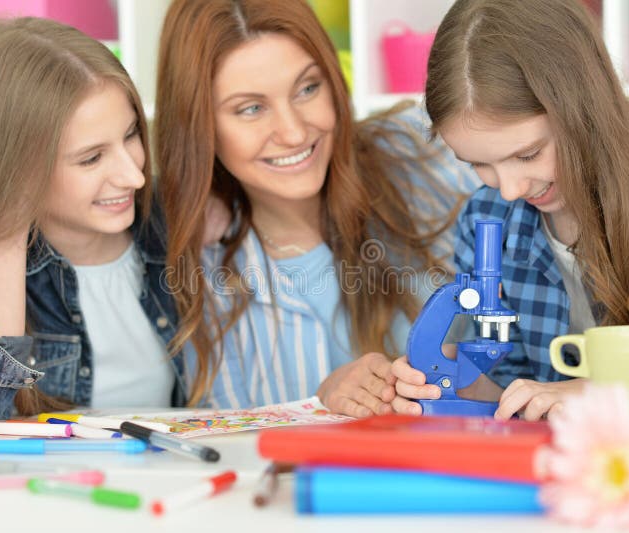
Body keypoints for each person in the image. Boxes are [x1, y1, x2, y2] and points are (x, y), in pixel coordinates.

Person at [155, 0, 479, 416]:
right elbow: (228, 440)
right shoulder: (202, 265)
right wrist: (321, 402)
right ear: (200, 127)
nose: (293, 132)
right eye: (251, 109)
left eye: (308, 88)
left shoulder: (422, 153)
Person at [391, 0, 629, 421]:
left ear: (584, 108)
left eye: (528, 154)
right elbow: (516, 393)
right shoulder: (487, 219)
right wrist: (451, 381)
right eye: (478, 163)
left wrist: (610, 395)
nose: (508, 190)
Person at [0, 17, 188, 420]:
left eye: (130, 135)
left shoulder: (168, 216)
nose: (135, 176)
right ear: (14, 169)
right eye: (91, 158)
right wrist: (8, 234)